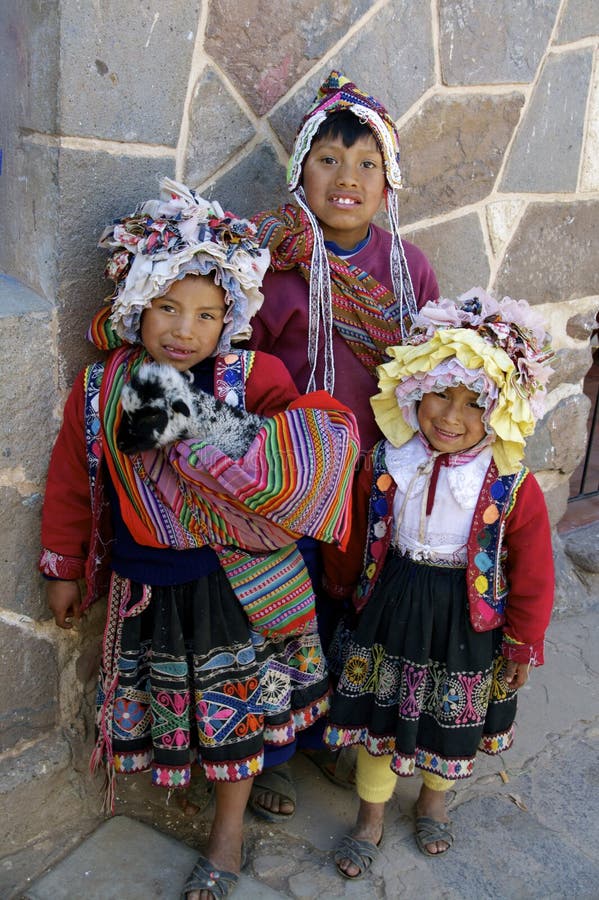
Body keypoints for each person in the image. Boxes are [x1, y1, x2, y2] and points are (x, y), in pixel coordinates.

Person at [39, 178, 359, 900]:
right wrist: (64, 567)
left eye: (207, 314)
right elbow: (71, 484)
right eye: (166, 308)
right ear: (133, 307)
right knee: (187, 703)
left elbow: (308, 444)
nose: (184, 329)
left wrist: (210, 431)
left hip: (237, 585)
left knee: (242, 702)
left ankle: (228, 832)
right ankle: (219, 781)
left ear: (230, 319)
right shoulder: (101, 392)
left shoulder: (254, 377)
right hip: (155, 583)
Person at [246, 69, 440, 820]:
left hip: (373, 480)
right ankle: (269, 752)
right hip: (290, 479)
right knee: (282, 612)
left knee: (347, 609)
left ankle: (327, 732)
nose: (346, 178)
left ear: (388, 183)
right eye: (328, 158)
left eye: (366, 164)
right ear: (301, 172)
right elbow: (245, 366)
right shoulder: (272, 261)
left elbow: (425, 370)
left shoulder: (406, 267)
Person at [322, 289, 555, 878]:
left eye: (474, 404)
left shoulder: (511, 483)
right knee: (380, 713)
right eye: (439, 396)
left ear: (502, 410)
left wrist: (524, 641)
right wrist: (341, 588)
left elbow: (532, 570)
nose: (451, 418)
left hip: (465, 615)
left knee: (449, 717)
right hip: (391, 603)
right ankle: (370, 816)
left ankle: (432, 801)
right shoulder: (386, 460)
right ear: (413, 391)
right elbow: (354, 535)